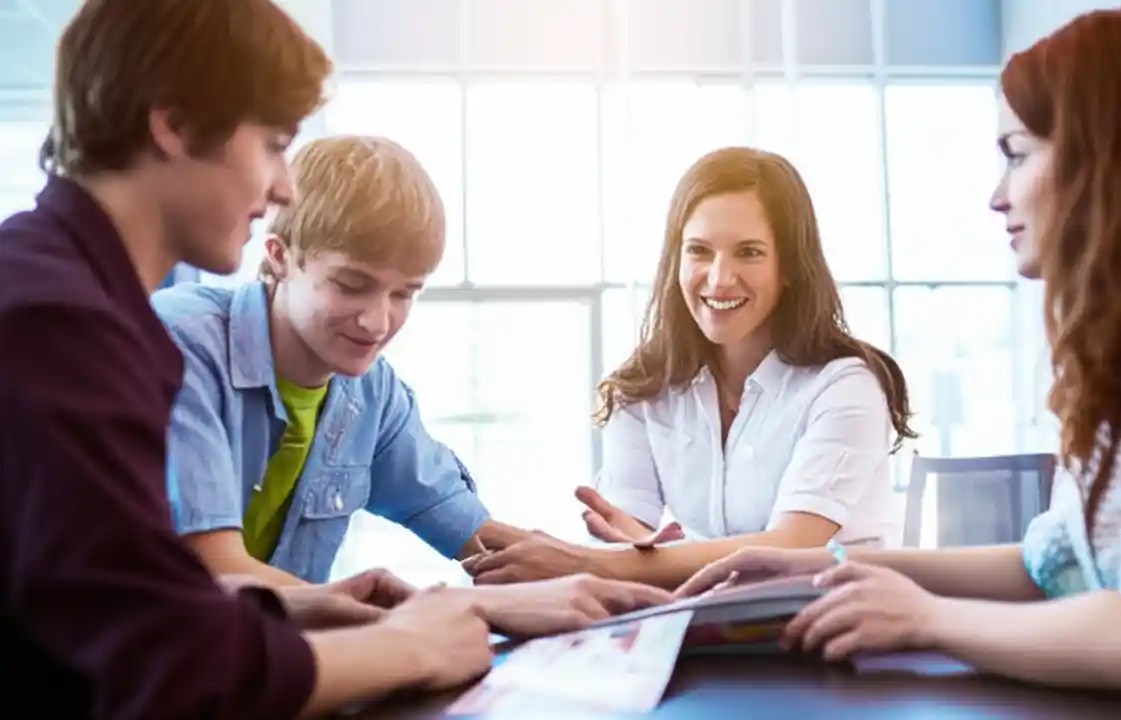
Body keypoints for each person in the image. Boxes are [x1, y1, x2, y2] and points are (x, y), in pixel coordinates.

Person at [0, 2, 667, 717]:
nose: (284, 186)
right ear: (174, 125)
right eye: (274, 144)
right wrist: (412, 641)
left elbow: (132, 600)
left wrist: (333, 608)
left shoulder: (72, 301)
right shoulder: (58, 323)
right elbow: (166, 657)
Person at [674, 6, 1121, 712]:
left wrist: (926, 618)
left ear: (1106, 156)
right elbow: (1046, 566)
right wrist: (822, 567)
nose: (998, 196)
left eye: (1017, 154)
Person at [464, 146, 915, 589]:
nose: (719, 278)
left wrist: (600, 561)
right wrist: (630, 551)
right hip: (713, 624)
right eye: (699, 250)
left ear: (790, 267)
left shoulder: (844, 387)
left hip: (843, 628)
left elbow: (790, 548)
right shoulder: (642, 389)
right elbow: (630, 545)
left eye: (749, 252)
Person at [153, 133, 529, 586]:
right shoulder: (182, 346)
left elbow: (475, 534)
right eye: (351, 286)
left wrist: (593, 573)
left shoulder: (374, 395)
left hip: (267, 652)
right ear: (280, 257)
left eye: (403, 294)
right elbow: (211, 570)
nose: (377, 322)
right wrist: (392, 621)